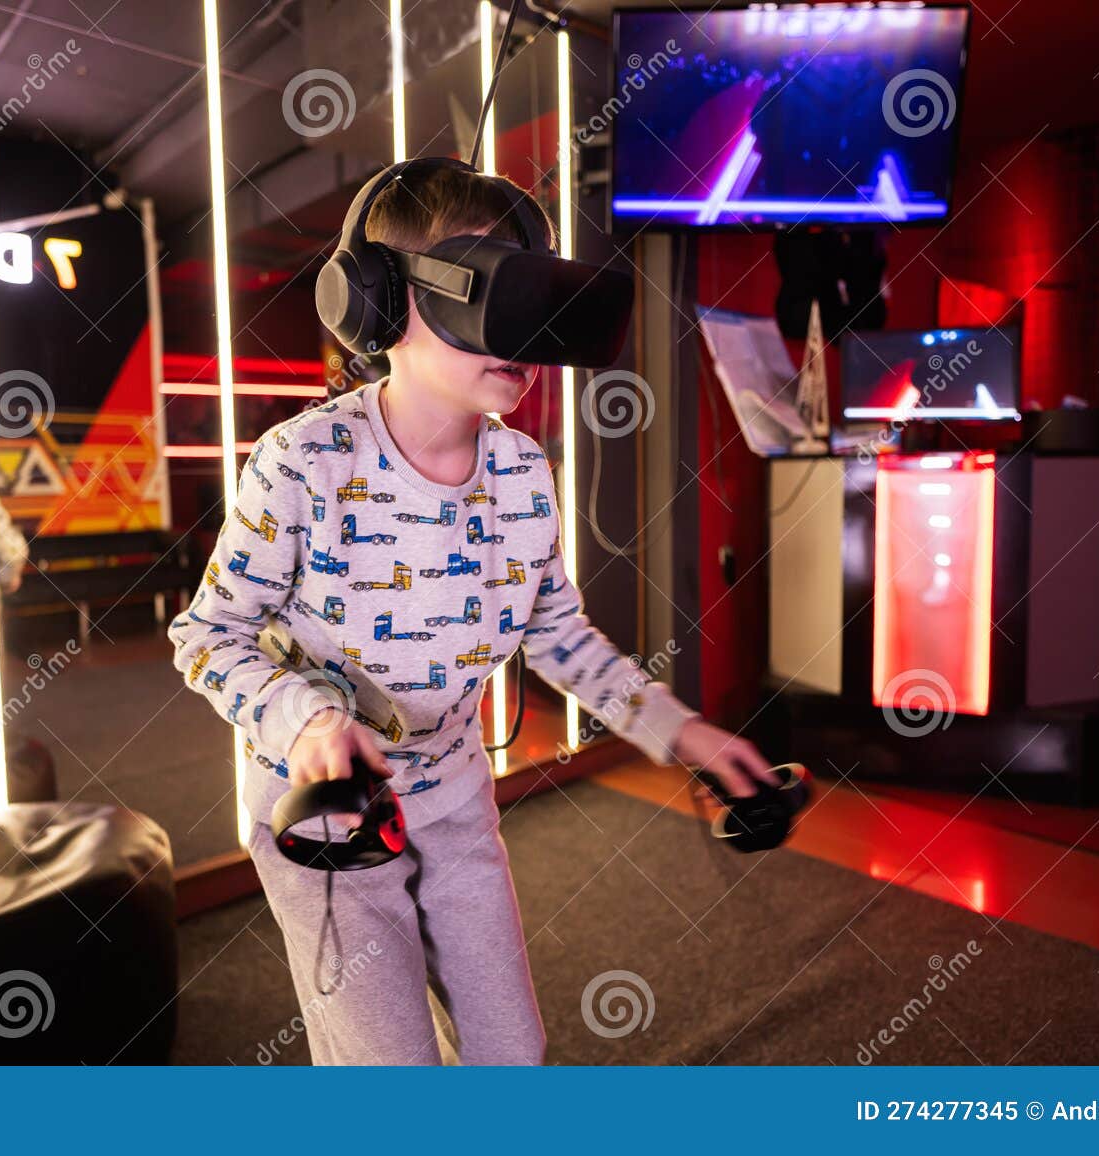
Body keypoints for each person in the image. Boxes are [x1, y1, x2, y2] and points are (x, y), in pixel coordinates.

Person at [170, 164, 777, 1065]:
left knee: (512, 1060)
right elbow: (207, 636)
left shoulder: (525, 474)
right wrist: (307, 720)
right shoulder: (303, 461)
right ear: (379, 301)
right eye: (493, 293)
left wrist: (684, 733)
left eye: (537, 301)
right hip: (331, 821)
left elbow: (558, 636)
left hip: (455, 805)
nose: (524, 334)